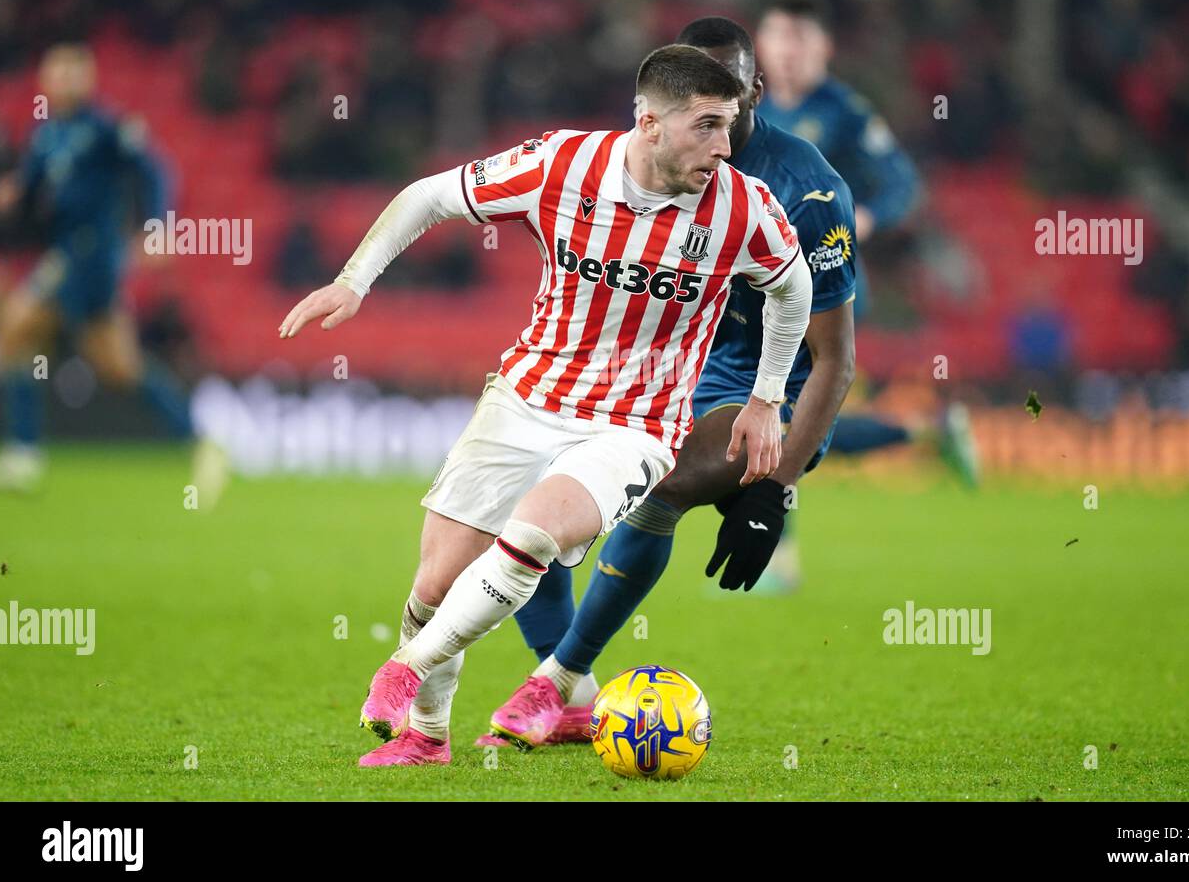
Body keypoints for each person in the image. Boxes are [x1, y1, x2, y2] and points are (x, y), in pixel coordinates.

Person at [277, 44, 813, 767]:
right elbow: (429, 196)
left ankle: (402, 671)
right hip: (526, 398)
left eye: (731, 124)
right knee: (433, 587)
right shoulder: (561, 165)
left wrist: (767, 397)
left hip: (636, 425)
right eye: (707, 126)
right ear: (650, 122)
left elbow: (792, 286)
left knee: (533, 537)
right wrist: (354, 281)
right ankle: (427, 737)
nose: (725, 146)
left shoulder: (742, 206)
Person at [480, 15, 860, 750]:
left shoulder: (808, 190)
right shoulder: (644, 163)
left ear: (755, 88)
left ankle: (551, 685)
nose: (708, 108)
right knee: (520, 491)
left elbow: (836, 359)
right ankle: (577, 696)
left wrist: (773, 485)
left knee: (661, 483)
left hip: (761, 385)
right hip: (660, 369)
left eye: (726, 91)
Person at [757, 0, 979, 527]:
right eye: (778, 38)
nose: (788, 52)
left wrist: (868, 218)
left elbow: (903, 181)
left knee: (779, 414)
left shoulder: (845, 111)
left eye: (800, 39)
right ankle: (925, 431)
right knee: (790, 421)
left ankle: (771, 550)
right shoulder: (750, 110)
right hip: (759, 279)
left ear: (824, 48)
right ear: (761, 46)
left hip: (822, 276)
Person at [0, 44, 196, 492]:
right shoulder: (46, 135)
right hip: (68, 253)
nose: (63, 81)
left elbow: (157, 171)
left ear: (88, 79)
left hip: (92, 254)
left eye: (72, 72)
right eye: (56, 72)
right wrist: (9, 198)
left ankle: (24, 453)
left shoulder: (107, 128)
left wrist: (158, 226)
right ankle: (194, 437)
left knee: (15, 328)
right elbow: (27, 196)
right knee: (119, 367)